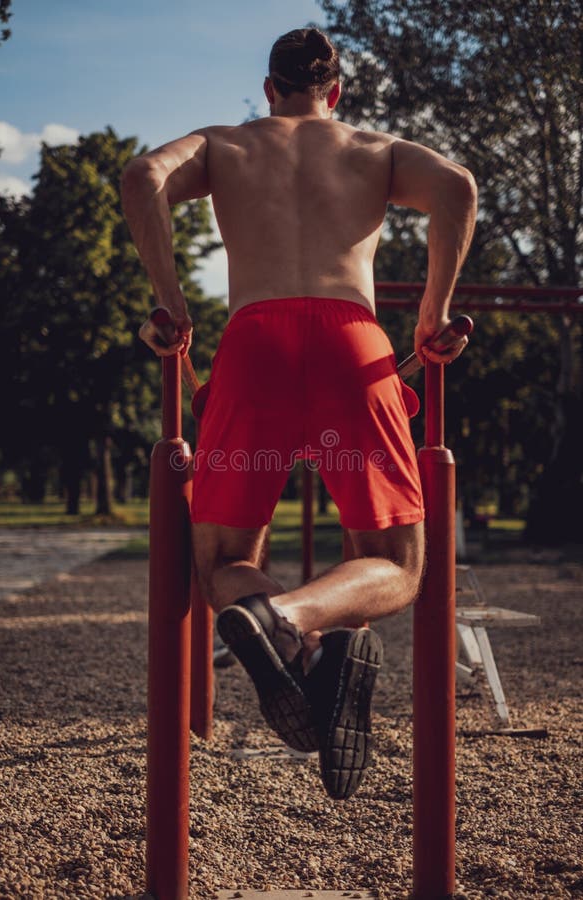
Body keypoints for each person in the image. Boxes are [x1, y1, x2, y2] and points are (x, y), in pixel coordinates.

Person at [121, 27, 477, 800]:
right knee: (400, 564)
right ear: (335, 90)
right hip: (354, 342)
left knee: (215, 562)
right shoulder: (373, 148)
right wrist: (432, 314)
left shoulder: (226, 144)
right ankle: (292, 620)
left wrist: (171, 302)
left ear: (268, 89)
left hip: (253, 347)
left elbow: (142, 173)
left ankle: (274, 623)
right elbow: (457, 187)